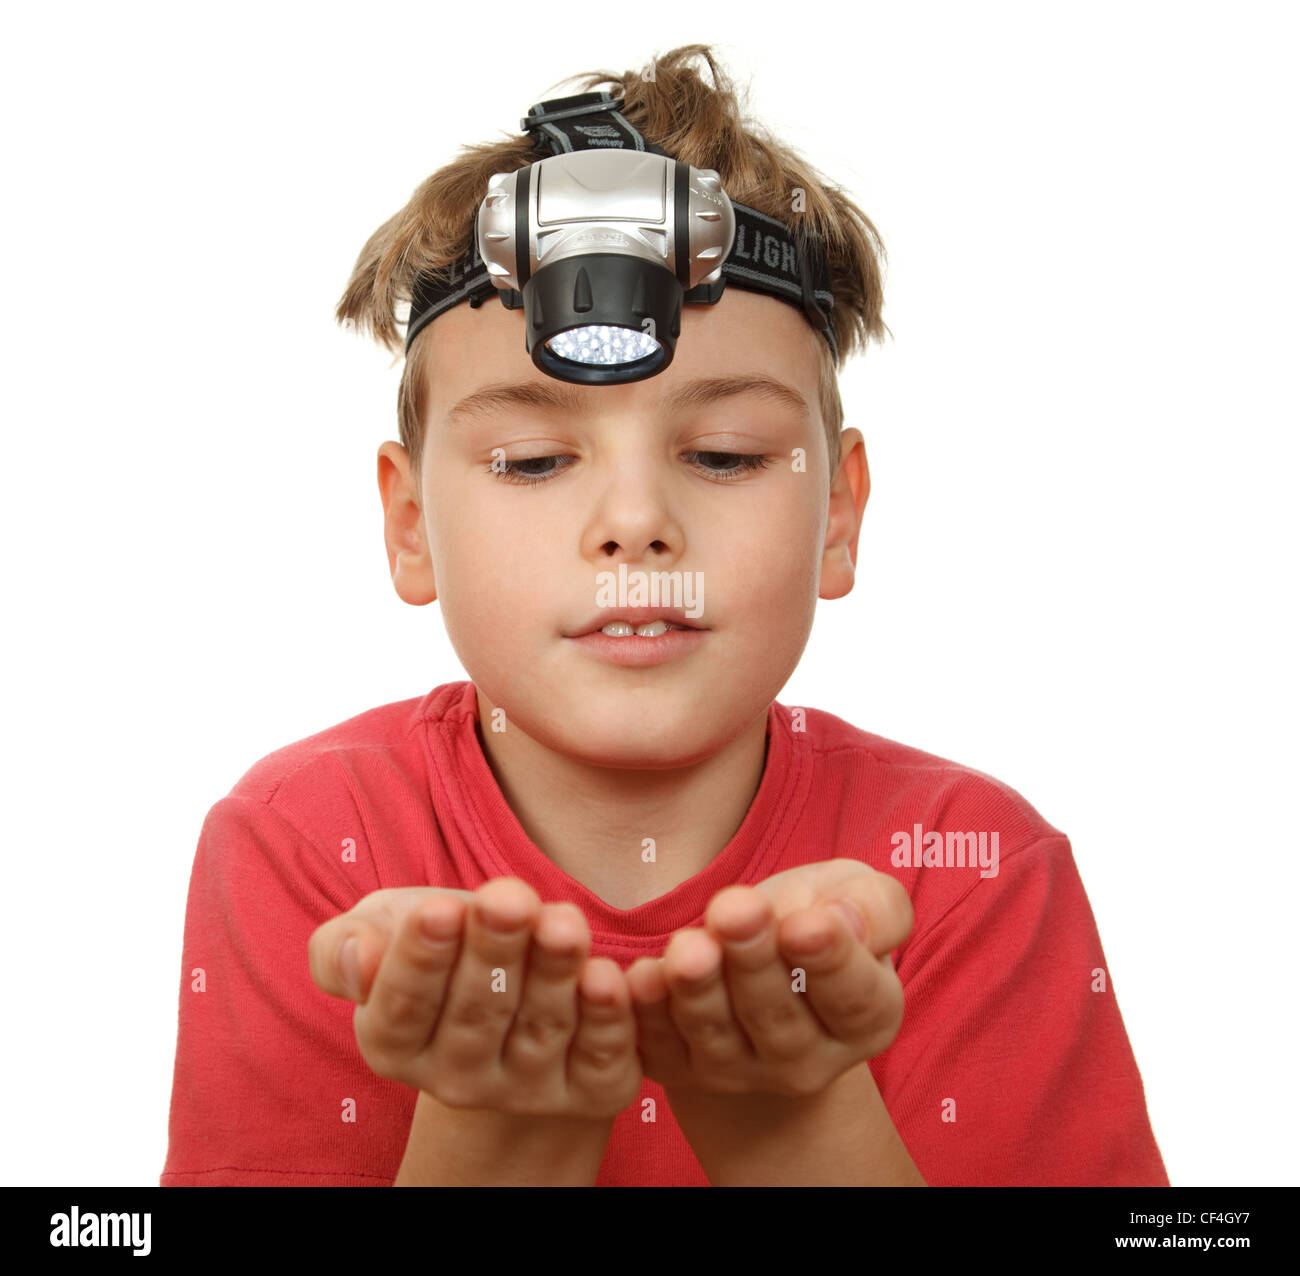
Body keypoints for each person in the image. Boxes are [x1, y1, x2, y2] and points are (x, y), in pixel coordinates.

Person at [160, 44, 1167, 1187]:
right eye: (535, 461)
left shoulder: (972, 870)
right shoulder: (303, 846)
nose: (635, 523)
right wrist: (492, 1141)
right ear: (407, 524)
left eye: (725, 455)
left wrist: (798, 1125)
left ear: (836, 513)